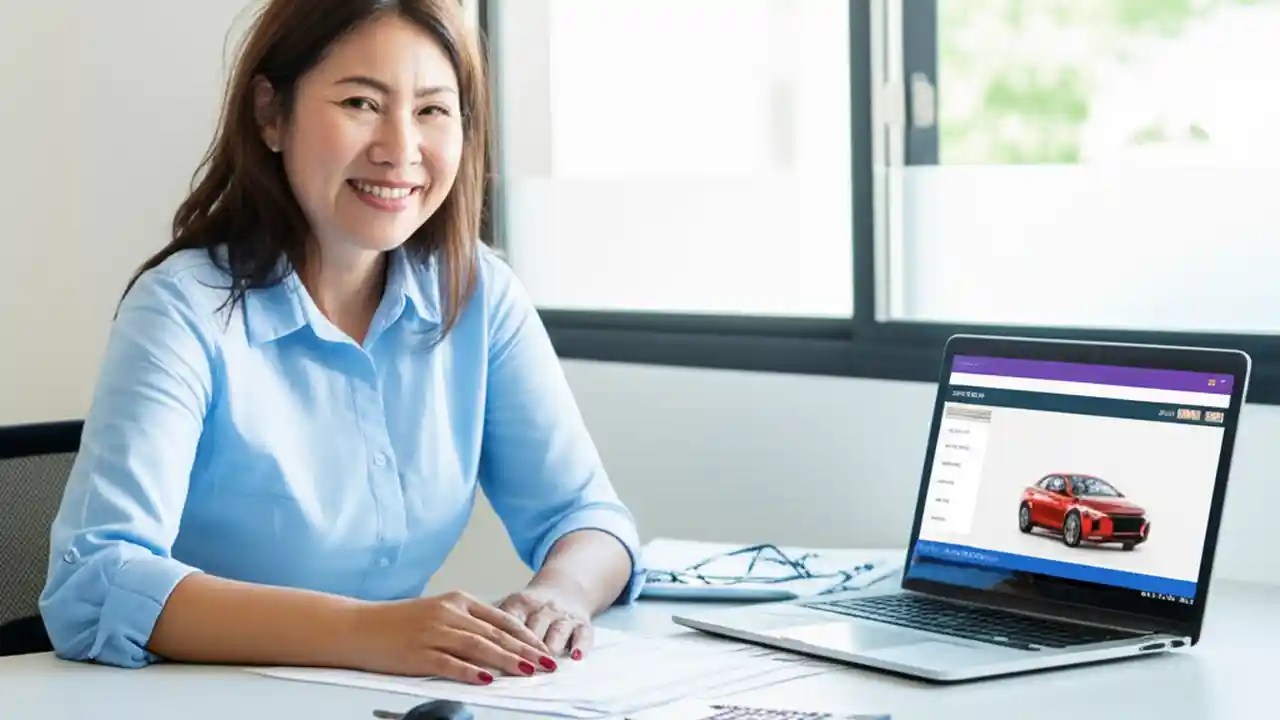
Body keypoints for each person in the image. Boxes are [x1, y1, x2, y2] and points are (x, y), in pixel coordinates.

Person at [38, 0, 643, 684]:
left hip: (375, 695)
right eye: (361, 102)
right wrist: (368, 631)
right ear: (271, 114)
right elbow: (95, 581)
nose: (400, 149)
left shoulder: (477, 295)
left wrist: (557, 595)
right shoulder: (182, 310)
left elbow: (587, 517)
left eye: (432, 111)